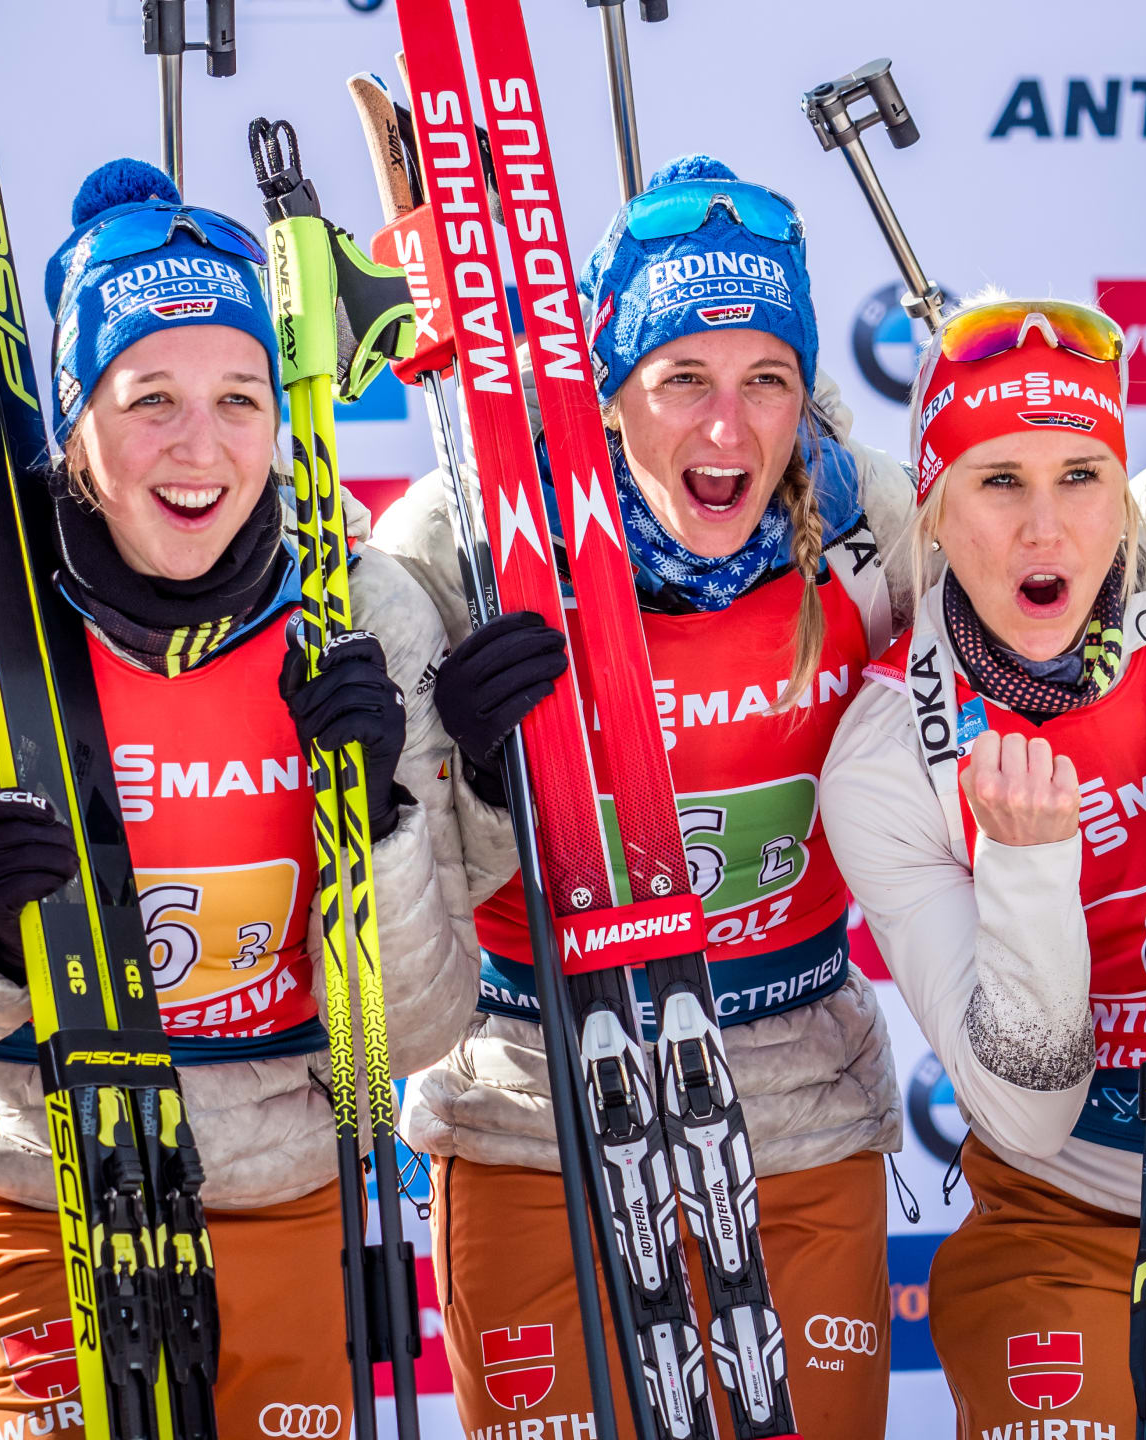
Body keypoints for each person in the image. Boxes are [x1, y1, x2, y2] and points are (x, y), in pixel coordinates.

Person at [0, 159, 481, 1440]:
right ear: (75, 417)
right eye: (150, 400)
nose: (201, 448)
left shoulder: (357, 610)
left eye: (239, 398)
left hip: (286, 1194)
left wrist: (388, 832)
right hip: (39, 1198)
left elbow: (402, 1052)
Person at [370, 153, 912, 1440]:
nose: (728, 430)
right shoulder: (457, 541)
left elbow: (1050, 635)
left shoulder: (872, 522)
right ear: (608, 385)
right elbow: (396, 901)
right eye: (682, 379)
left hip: (793, 1099)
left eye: (765, 379)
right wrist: (475, 781)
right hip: (533, 1102)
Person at [821, 294, 1146, 1437]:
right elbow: (1025, 1115)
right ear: (935, 507)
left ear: (1126, 490)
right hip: (1076, 1203)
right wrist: (1026, 872)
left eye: (1080, 475)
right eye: (998, 481)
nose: (1044, 531)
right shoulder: (886, 759)